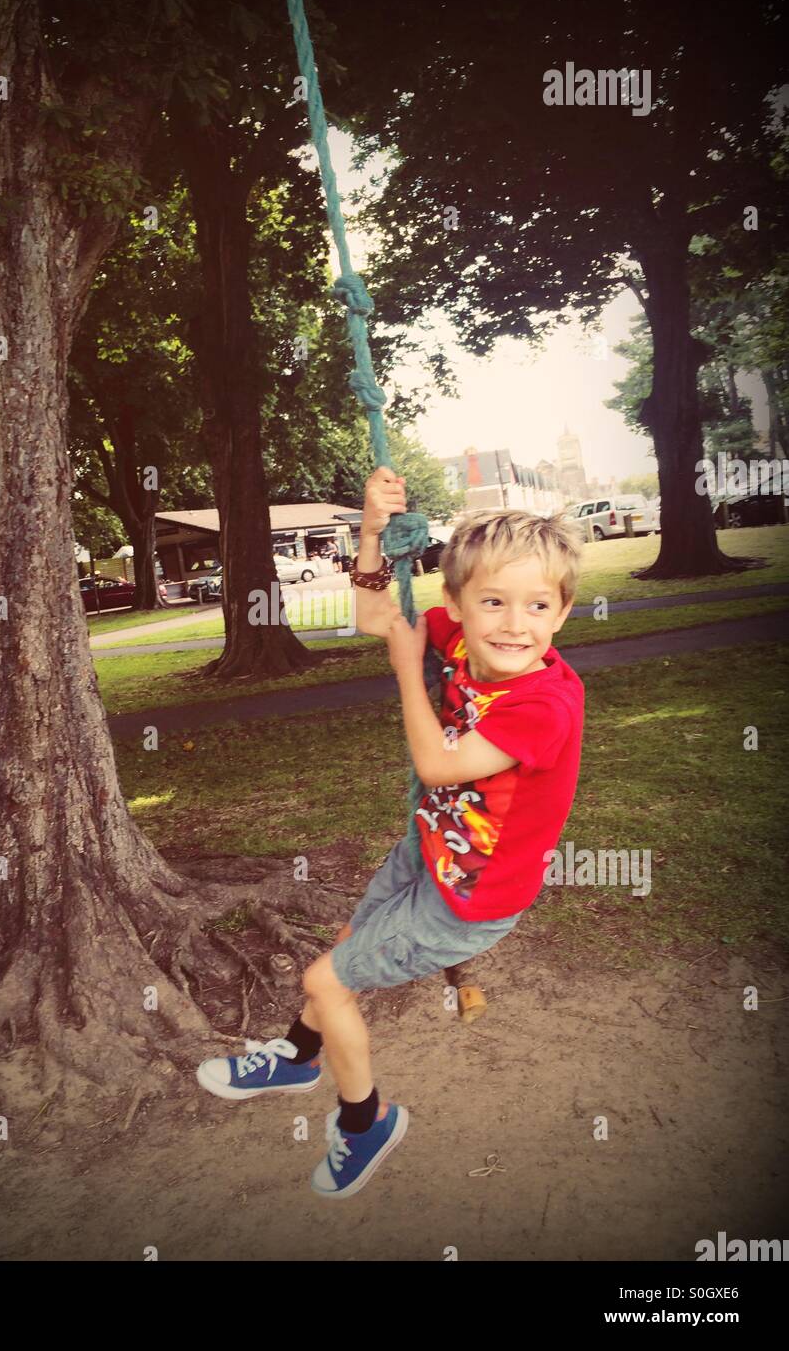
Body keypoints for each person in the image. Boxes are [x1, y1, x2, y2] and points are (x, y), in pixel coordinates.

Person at [197, 465, 585, 1199]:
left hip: (471, 898)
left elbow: (440, 766)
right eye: (493, 602)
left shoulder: (545, 704)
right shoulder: (465, 639)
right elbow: (378, 617)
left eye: (537, 606)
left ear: (561, 614)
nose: (513, 623)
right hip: (429, 852)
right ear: (459, 603)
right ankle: (296, 1053)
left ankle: (365, 1122)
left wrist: (411, 673)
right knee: (346, 952)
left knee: (323, 979)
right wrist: (371, 531)